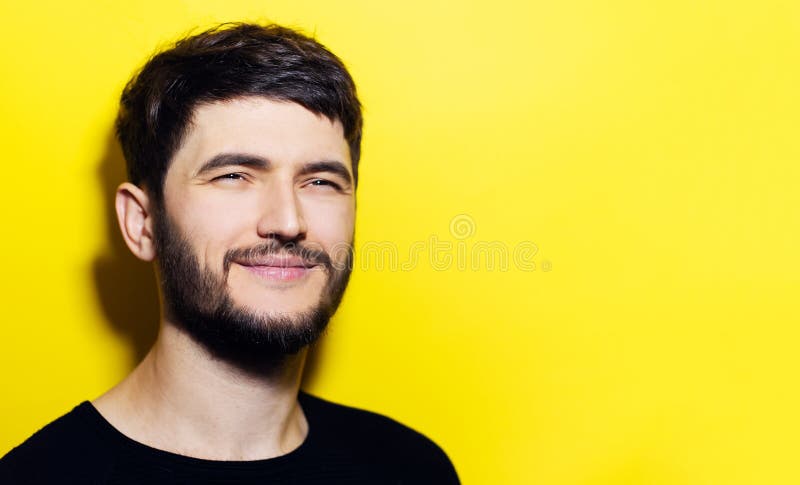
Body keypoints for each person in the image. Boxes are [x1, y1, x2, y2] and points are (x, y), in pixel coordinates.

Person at [0, 22, 459, 484]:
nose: (288, 221)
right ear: (142, 223)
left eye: (320, 181)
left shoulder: (412, 468)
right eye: (233, 176)